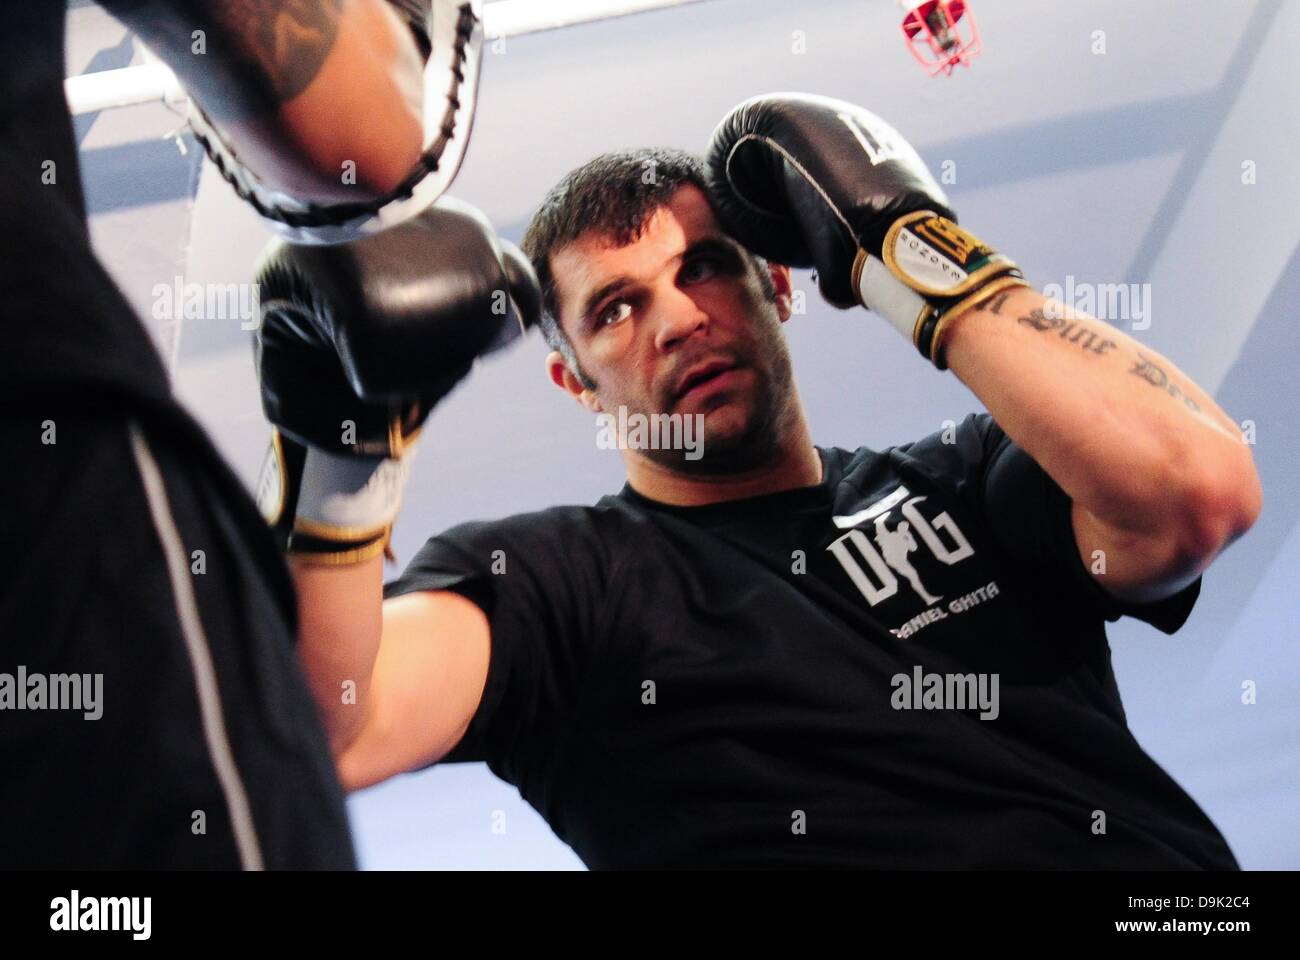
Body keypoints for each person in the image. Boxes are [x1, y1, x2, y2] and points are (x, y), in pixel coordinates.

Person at [266, 93, 1262, 868]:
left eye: (704, 267)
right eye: (615, 308)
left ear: (778, 284)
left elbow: (1197, 496)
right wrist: (338, 455)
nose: (676, 318)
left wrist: (908, 249)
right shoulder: (554, 584)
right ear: (574, 384)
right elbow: (322, 727)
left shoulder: (968, 479)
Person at [0, 0, 485, 868]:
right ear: (576, 375)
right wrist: (346, 476)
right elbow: (364, 131)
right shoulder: (586, 578)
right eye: (616, 304)